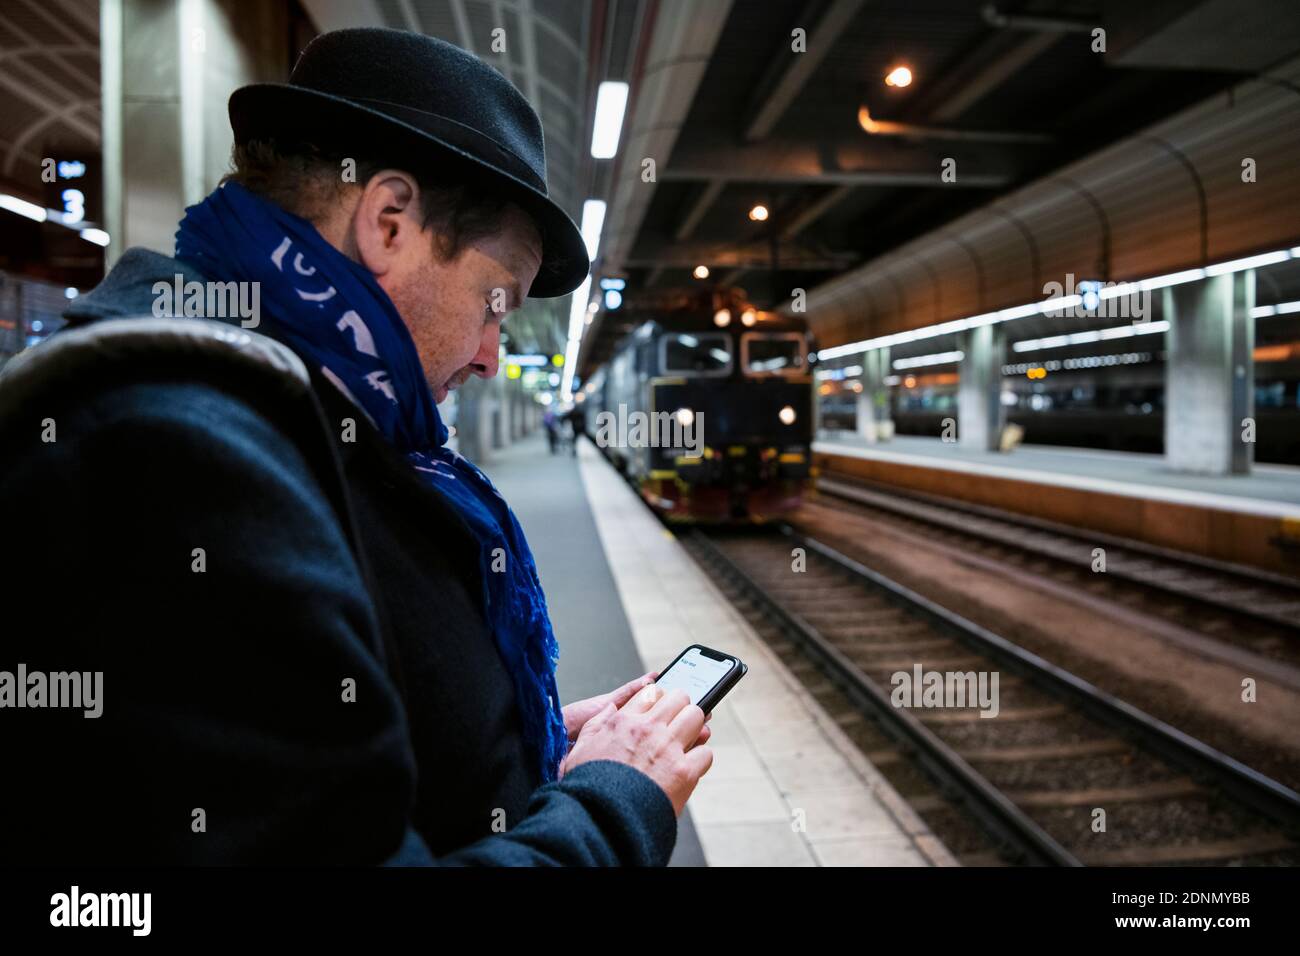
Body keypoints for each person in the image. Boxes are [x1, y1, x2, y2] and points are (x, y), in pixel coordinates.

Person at [0, 28, 711, 866]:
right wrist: (610, 807)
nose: (490, 354)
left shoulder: (295, 410)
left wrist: (535, 756)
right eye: (493, 302)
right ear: (388, 222)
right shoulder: (174, 449)